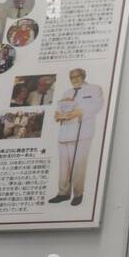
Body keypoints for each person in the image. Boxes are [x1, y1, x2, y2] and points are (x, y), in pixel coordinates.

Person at [49, 68, 104, 206]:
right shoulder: (67, 92)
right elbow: (60, 108)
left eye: (77, 76)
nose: (74, 79)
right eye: (71, 77)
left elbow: (97, 106)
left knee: (79, 165)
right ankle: (63, 193)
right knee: (63, 165)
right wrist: (58, 115)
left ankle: (78, 194)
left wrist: (79, 112)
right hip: (64, 132)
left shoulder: (94, 89)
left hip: (82, 132)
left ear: (83, 76)